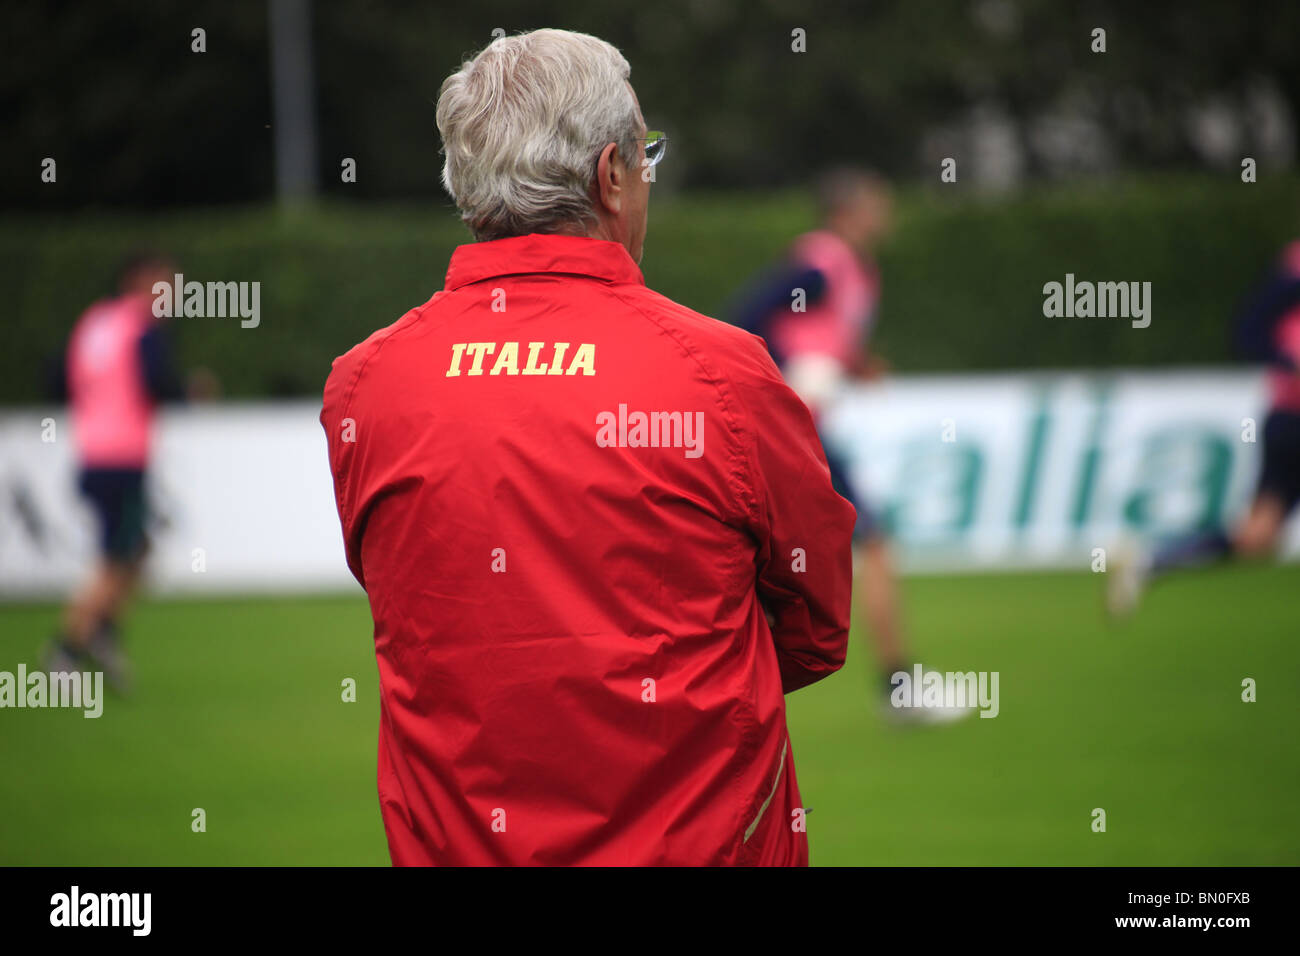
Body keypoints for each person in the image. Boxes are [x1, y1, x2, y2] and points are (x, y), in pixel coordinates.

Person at [321, 29, 855, 866]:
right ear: (612, 175)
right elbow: (817, 624)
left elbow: (427, 612)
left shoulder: (365, 384)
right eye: (647, 157)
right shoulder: (723, 373)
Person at [731, 169, 963, 724]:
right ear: (847, 211)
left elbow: (817, 334)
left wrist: (855, 366)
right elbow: (742, 318)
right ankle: (899, 691)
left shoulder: (855, 271)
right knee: (873, 543)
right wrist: (789, 373)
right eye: (876, 203)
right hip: (790, 428)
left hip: (802, 429)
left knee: (774, 562)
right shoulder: (822, 262)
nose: (886, 213)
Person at [1110, 240, 1300, 614]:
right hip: (1291, 420)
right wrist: (1288, 363)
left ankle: (1152, 560)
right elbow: (1246, 332)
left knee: (1257, 538)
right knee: (1257, 536)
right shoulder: (1291, 278)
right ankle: (1153, 558)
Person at [44, 253, 186, 692]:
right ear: (140, 281)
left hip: (93, 455)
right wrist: (191, 392)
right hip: (123, 459)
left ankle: (103, 634)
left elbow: (56, 380)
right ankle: (65, 649)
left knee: (135, 549)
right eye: (166, 284)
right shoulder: (142, 329)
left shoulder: (95, 323)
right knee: (114, 560)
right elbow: (159, 383)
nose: (173, 295)